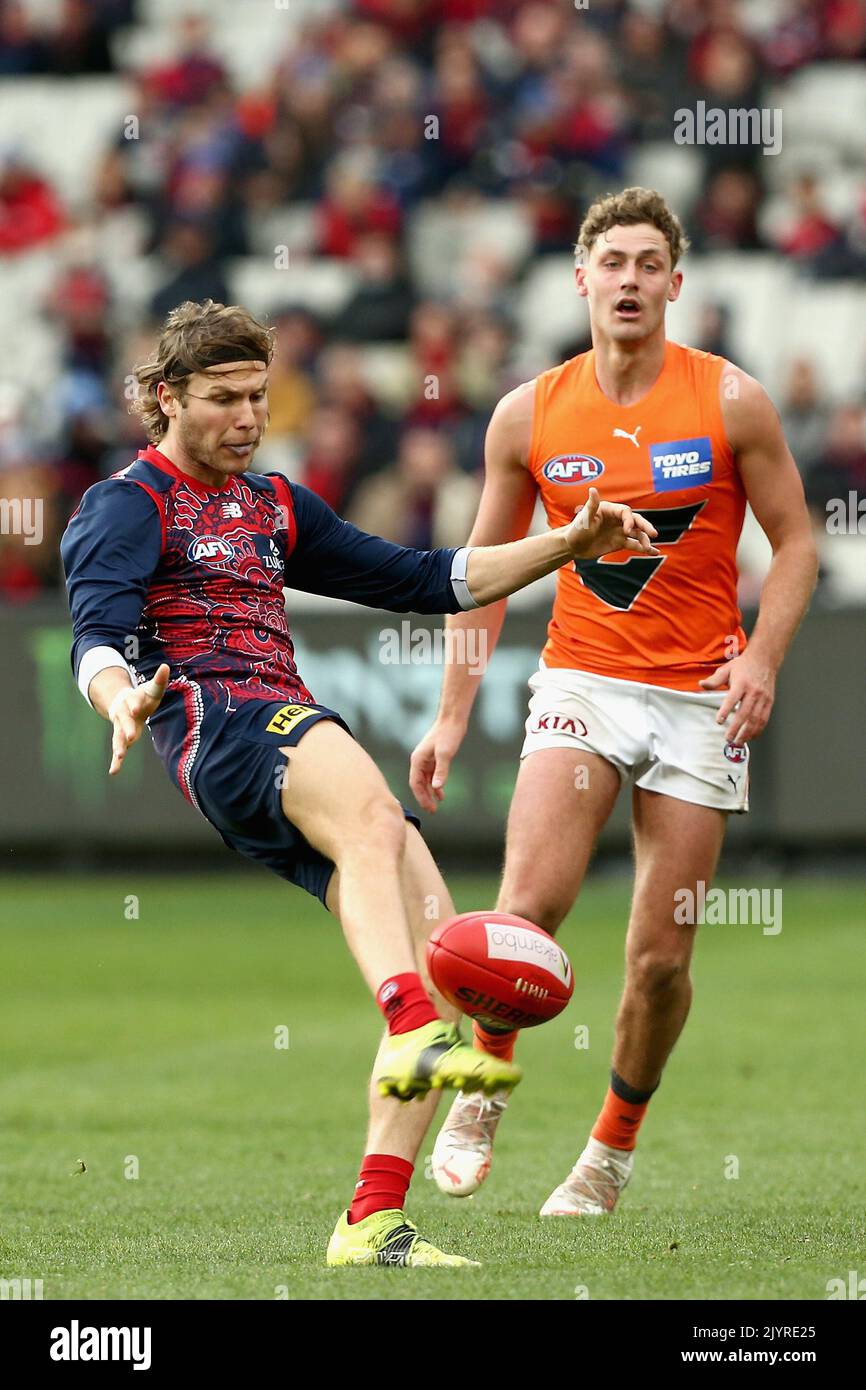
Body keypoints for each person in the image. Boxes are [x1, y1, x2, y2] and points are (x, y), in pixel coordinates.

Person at [60, 297, 658, 1267]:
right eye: (222, 398)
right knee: (379, 815)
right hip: (225, 728)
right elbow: (95, 633)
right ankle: (406, 1024)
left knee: (444, 944)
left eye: (257, 396)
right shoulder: (128, 503)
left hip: (274, 745)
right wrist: (118, 697)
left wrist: (566, 543)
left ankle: (372, 1218)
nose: (247, 417)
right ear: (164, 398)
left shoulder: (275, 504)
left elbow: (429, 577)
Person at [410, 187, 817, 1217]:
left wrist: (760, 658)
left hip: (697, 697)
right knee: (527, 905)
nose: (629, 280)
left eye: (648, 263)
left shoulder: (729, 401)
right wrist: (452, 712)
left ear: (674, 284)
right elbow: (482, 573)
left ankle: (608, 1152)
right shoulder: (527, 414)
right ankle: (483, 1092)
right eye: (612, 262)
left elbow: (799, 542)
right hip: (582, 680)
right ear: (579, 278)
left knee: (655, 961)